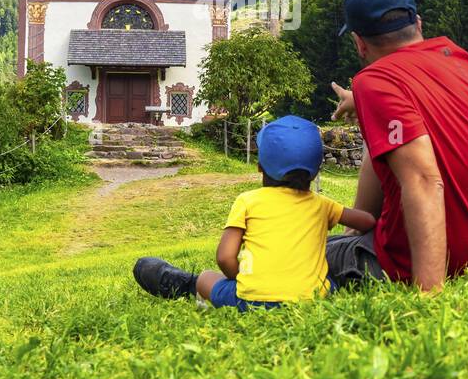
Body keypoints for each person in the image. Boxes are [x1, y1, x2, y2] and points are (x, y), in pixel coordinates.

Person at [325, 0, 468, 293]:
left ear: (359, 43)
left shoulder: (374, 81)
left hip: (438, 261)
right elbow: (436, 104)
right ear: (418, 24)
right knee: (388, 142)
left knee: (296, 252)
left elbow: (424, 181)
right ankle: (357, 232)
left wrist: (429, 295)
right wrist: (363, 103)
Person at [132, 116, 376, 311]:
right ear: (315, 171)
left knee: (207, 277)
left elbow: (225, 258)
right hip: (312, 299)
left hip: (251, 300)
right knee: (326, 280)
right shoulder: (323, 204)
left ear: (260, 166)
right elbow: (367, 220)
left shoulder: (247, 201)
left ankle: (190, 289)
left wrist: (238, 280)